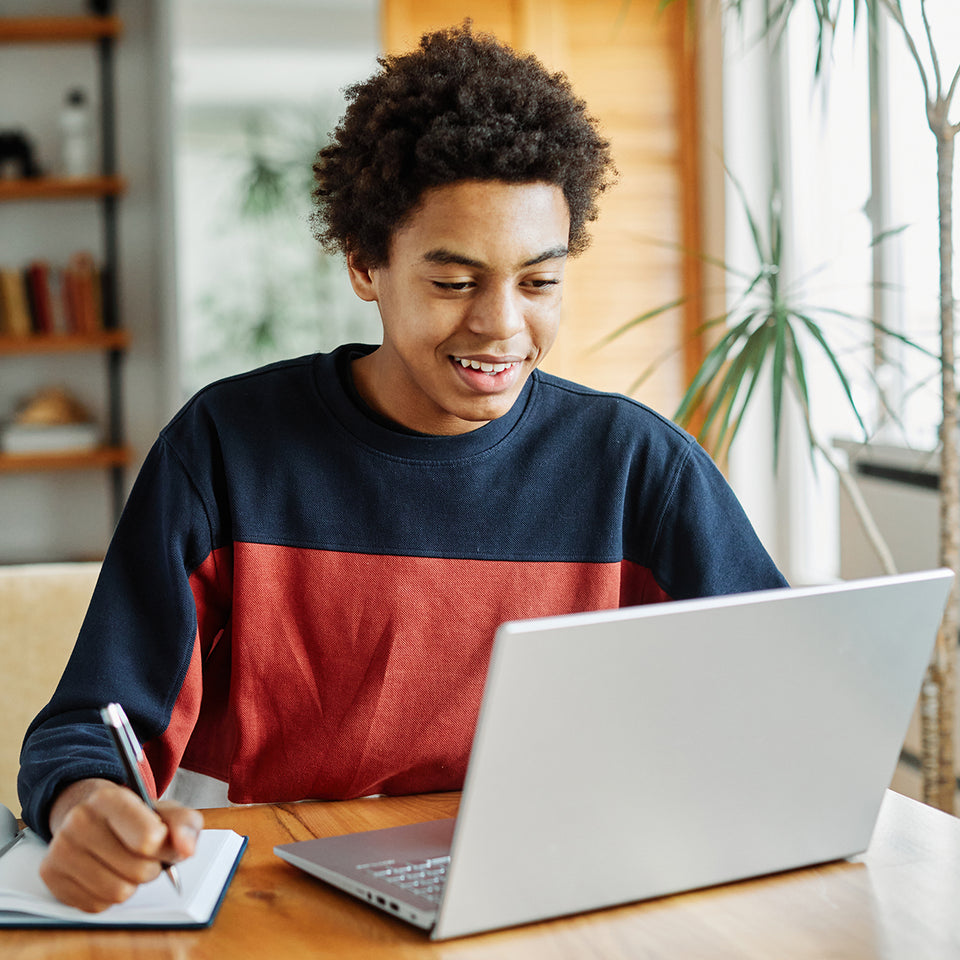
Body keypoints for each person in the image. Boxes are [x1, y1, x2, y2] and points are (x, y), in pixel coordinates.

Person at [18, 24, 787, 912]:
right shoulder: (226, 447)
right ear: (364, 265)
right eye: (454, 282)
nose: (502, 326)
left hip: (537, 890)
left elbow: (783, 698)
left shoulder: (637, 467)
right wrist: (87, 807)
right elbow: (90, 728)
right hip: (268, 891)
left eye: (539, 282)